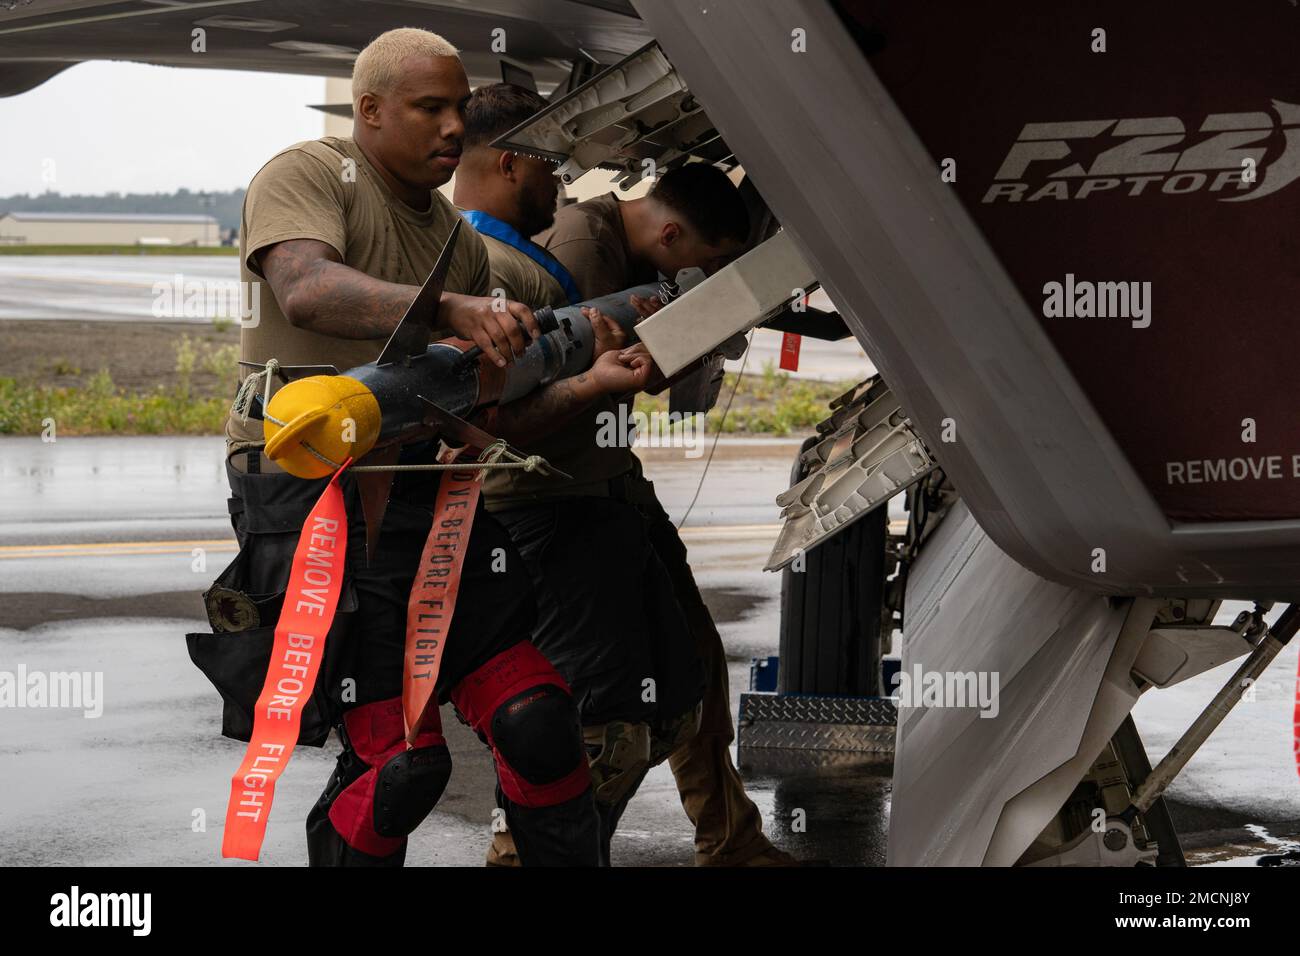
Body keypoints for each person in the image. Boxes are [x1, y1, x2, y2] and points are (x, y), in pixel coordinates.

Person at [214, 29, 650, 867]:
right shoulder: (308, 173)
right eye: (430, 108)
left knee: (538, 722)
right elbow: (306, 289)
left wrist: (600, 357)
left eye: (460, 108)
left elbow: (497, 390)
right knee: (405, 767)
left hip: (424, 496)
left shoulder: (447, 228)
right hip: (313, 505)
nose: (456, 127)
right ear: (369, 110)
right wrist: (452, 310)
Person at [454, 82, 793, 866]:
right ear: (672, 233)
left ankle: (729, 838)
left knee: (692, 664)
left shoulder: (605, 247)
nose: (558, 187)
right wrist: (615, 376)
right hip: (553, 498)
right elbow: (519, 403)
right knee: (598, 712)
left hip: (605, 482)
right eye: (705, 267)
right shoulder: (576, 251)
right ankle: (524, 849)